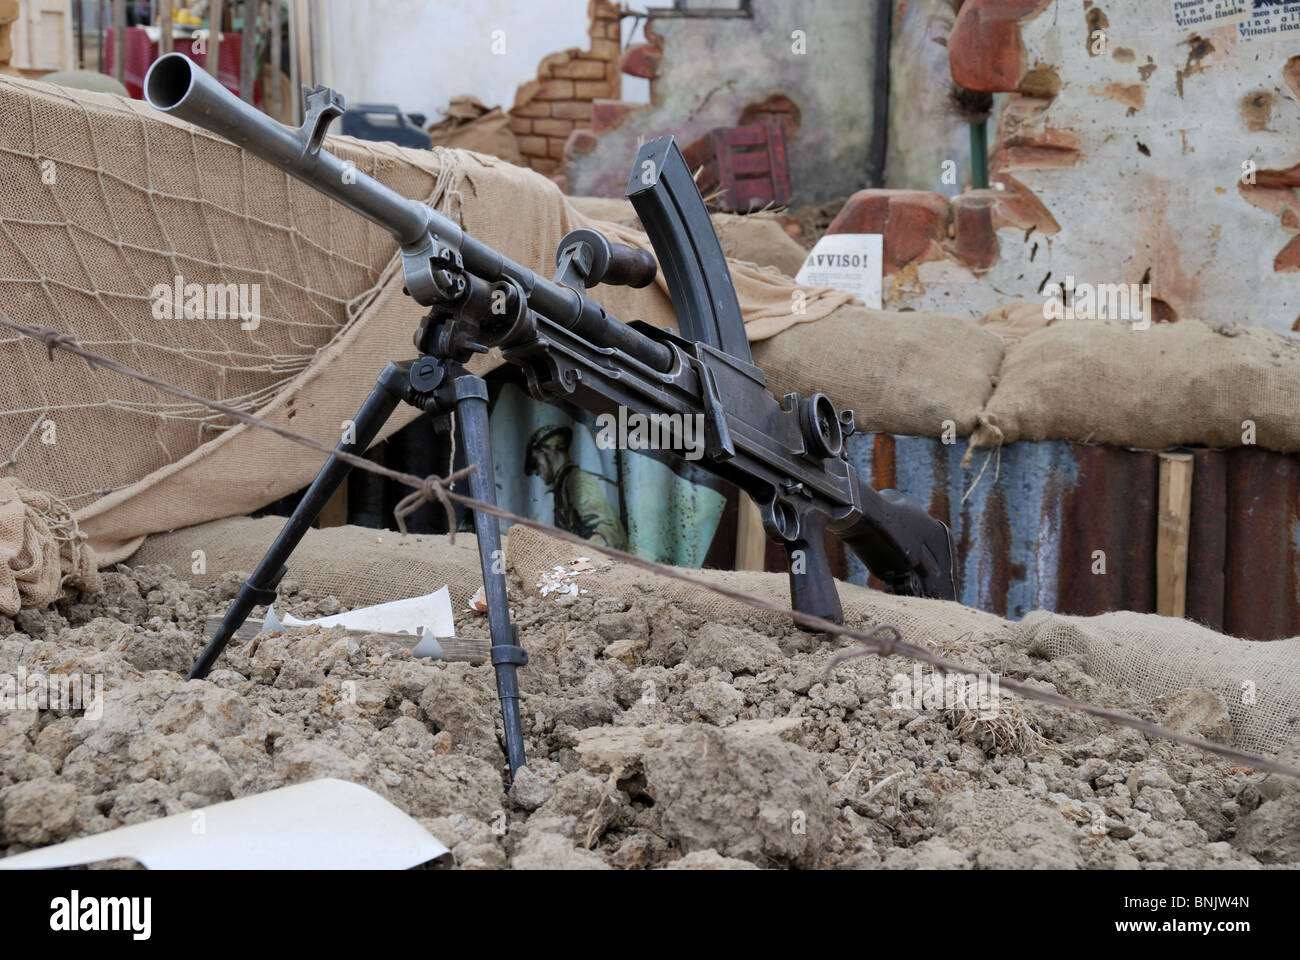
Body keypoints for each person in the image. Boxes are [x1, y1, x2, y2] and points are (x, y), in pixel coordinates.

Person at [524, 424, 627, 550]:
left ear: (548, 451)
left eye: (535, 463)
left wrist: (581, 557)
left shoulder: (577, 481)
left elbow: (606, 533)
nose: (536, 472)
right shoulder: (563, 487)